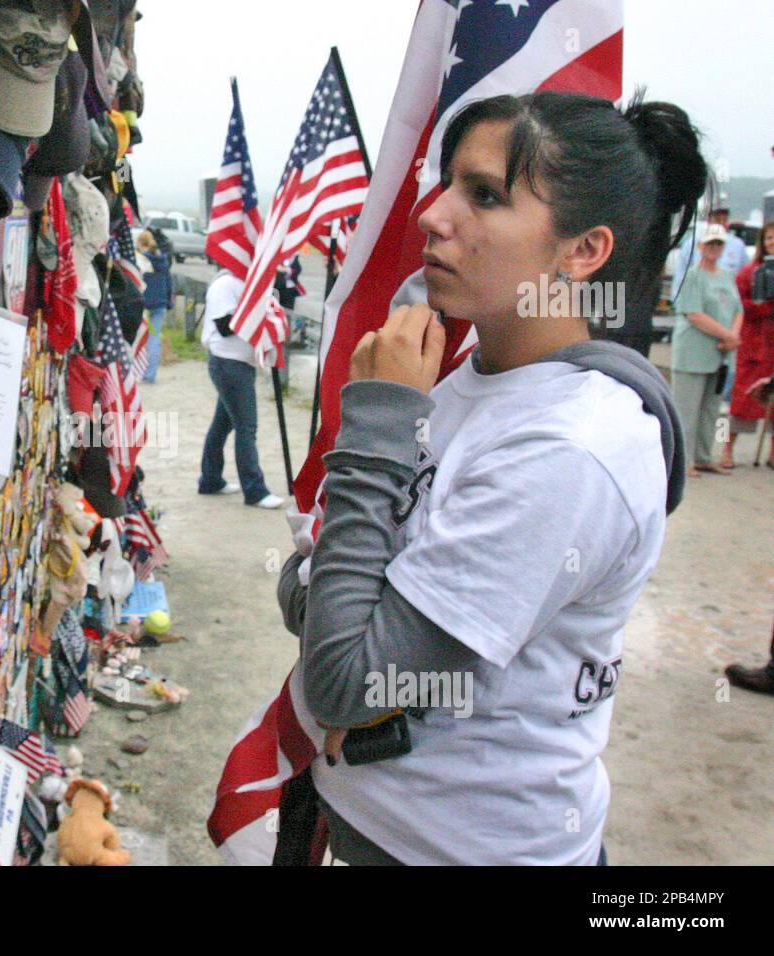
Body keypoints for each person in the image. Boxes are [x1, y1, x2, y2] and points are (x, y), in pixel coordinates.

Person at [276, 90, 705, 865]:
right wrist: (337, 609)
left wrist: (377, 421)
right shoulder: (467, 379)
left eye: (484, 195)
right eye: (447, 186)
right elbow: (308, 591)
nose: (434, 216)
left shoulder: (573, 447)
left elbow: (343, 683)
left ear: (583, 252)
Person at [197, 269, 284, 508]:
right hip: (228, 363)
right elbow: (224, 326)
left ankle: (210, 479)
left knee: (222, 424)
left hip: (241, 363)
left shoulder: (251, 283)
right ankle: (255, 490)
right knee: (246, 426)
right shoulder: (224, 284)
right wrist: (256, 313)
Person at [671, 222, 743, 476]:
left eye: (718, 244)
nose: (713, 248)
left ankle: (703, 456)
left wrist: (733, 336)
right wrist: (727, 335)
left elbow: (737, 310)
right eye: (710, 243)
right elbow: (694, 313)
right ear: (701, 246)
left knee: (711, 409)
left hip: (722, 352)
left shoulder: (726, 276)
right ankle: (682, 461)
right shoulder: (692, 275)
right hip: (695, 350)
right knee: (686, 409)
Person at [721, 221, 774, 468]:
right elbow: (738, 306)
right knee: (738, 402)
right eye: (769, 238)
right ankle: (724, 449)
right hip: (754, 345)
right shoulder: (748, 273)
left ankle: (772, 454)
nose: (772, 243)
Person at [671, 202, 749, 301]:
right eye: (717, 220)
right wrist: (678, 302)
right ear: (708, 221)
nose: (721, 223)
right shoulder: (692, 244)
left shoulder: (738, 245)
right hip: (698, 303)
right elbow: (680, 276)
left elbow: (746, 277)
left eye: (724, 220)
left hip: (728, 305)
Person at [135, 229, 170, 384]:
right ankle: (151, 373)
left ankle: (143, 372)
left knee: (144, 339)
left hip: (146, 307)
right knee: (154, 337)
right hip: (160, 306)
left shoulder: (142, 261)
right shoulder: (163, 260)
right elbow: (169, 282)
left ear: (142, 245)